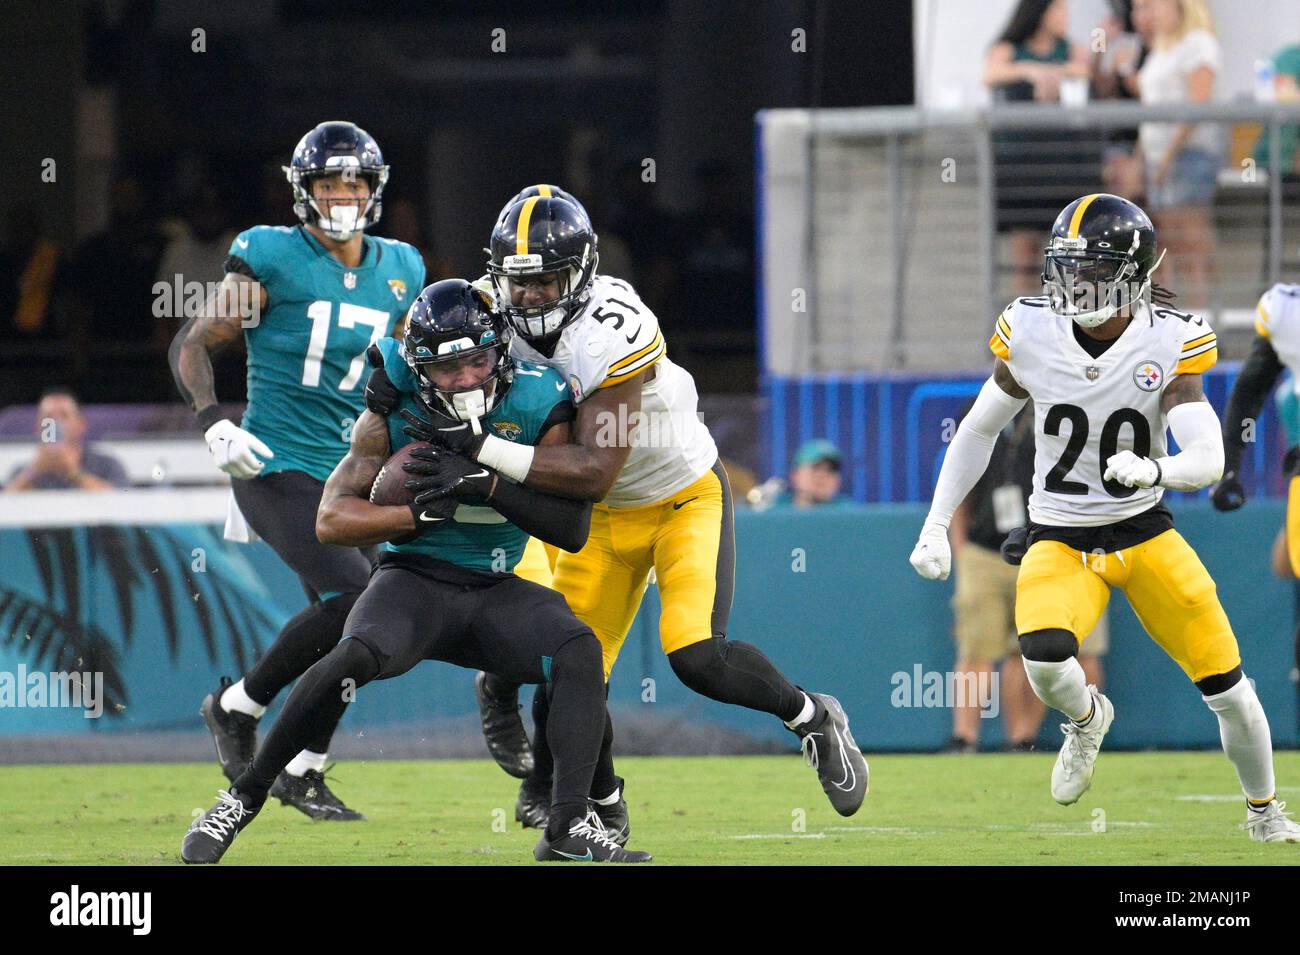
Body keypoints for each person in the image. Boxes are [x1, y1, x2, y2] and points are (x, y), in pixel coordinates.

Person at [366, 188, 869, 840]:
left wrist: (481, 450)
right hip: (594, 520)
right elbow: (421, 326)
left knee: (696, 656)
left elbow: (594, 467)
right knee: (568, 665)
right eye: (520, 283)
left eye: (548, 280)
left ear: (580, 272)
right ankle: (596, 794)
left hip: (677, 497)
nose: (533, 297)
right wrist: (386, 362)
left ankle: (812, 717)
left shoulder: (611, 326)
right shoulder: (490, 300)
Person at [182, 280, 650, 864]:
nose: (467, 378)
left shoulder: (538, 400)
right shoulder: (393, 407)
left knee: (579, 651)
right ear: (420, 369)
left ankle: (567, 825)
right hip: (414, 583)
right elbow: (330, 519)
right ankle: (241, 799)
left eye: (478, 360)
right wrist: (409, 515)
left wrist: (488, 481)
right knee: (350, 655)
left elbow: (571, 529)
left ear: (500, 351)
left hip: (495, 586)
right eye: (447, 368)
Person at [910, 192, 1300, 843]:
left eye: (1090, 268)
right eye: (1066, 266)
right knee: (1043, 658)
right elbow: (978, 429)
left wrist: (1158, 470)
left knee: (1230, 688)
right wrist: (934, 520)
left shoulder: (1170, 336)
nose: (1073, 283)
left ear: (1132, 273)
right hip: (1059, 536)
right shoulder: (1030, 329)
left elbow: (1205, 455)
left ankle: (1265, 812)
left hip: (1143, 533)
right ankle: (1087, 719)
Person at [168, 121, 425, 821]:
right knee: (357, 606)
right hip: (274, 462)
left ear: (375, 189)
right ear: (303, 191)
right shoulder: (272, 256)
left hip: (350, 474)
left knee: (371, 621)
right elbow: (195, 342)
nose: (343, 194)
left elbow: (398, 378)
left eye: (355, 182)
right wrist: (212, 421)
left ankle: (304, 764)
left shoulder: (401, 267)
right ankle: (240, 705)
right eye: (329, 182)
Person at [945, 404, 1107, 754]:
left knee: (1030, 650)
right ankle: (964, 739)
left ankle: (1023, 737)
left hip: (1053, 547)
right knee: (976, 649)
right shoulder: (980, 409)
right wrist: (960, 549)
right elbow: (961, 480)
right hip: (985, 549)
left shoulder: (1063, 405)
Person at [984, 0, 1094, 294]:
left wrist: (1057, 75)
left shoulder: (1073, 50)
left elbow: (1086, 74)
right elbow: (990, 74)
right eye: (1059, 9)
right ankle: (1022, 330)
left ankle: (1068, 329)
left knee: (1070, 257)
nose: (1065, 16)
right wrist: (1029, 71)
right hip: (1021, 166)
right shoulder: (1008, 50)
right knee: (1024, 258)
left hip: (1064, 164)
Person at [1136, 0, 1221, 309]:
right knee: (1166, 245)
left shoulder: (1198, 43)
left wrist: (1168, 155)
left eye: (1155, 5)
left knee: (1191, 243)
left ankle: (1205, 320)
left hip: (1189, 156)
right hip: (1159, 159)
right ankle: (1170, 321)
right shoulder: (1161, 46)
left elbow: (1198, 102)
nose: (1150, 12)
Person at [3, 388, 129, 492]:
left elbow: (123, 500)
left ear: (81, 425)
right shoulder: (23, 471)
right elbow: (6, 506)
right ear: (38, 427)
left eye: (64, 416)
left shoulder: (107, 465)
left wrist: (73, 473)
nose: (56, 423)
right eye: (49, 417)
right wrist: (34, 471)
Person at [770, 438, 855, 508]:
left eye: (831, 470)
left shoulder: (852, 515)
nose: (822, 476)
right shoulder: (771, 511)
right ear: (795, 475)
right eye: (815, 468)